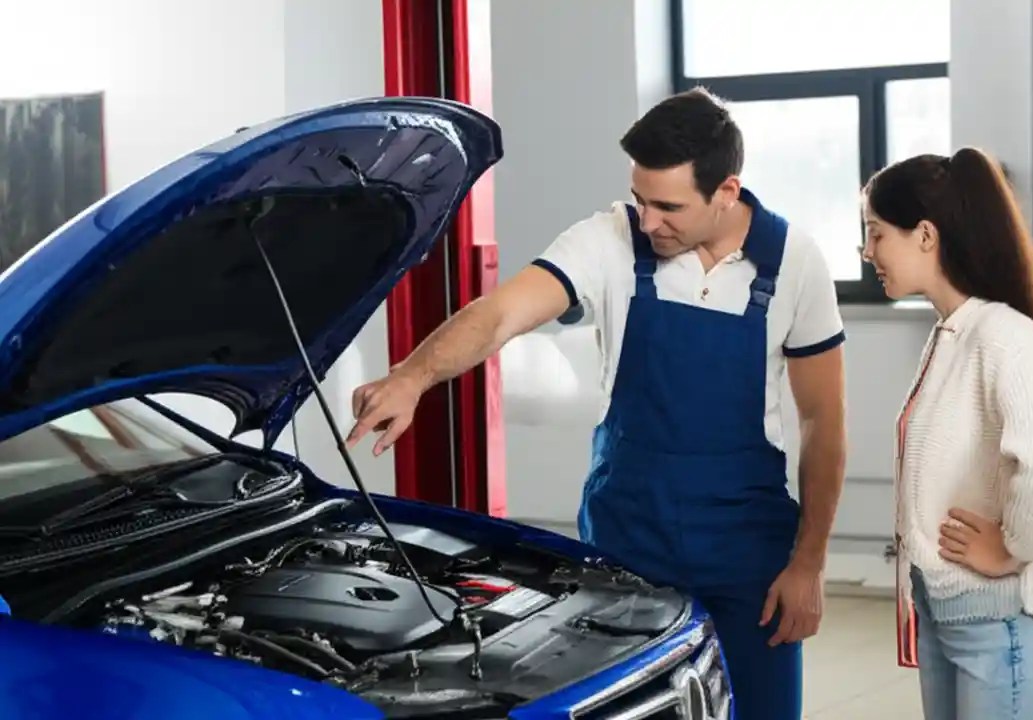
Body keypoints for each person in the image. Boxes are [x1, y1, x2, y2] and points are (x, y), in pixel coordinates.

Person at [345, 88, 847, 719]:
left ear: (726, 191)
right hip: (628, 546)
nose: (648, 222)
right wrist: (412, 376)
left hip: (748, 554)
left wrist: (809, 562)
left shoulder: (794, 262)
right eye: (640, 199)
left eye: (669, 207)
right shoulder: (609, 239)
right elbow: (501, 314)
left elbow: (823, 421)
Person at [859, 148, 1033, 719]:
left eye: (876, 233)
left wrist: (1012, 550)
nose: (867, 252)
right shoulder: (953, 332)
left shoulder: (1004, 334)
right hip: (951, 619)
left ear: (925, 235)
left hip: (1003, 630)